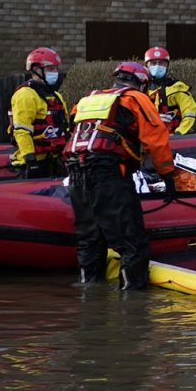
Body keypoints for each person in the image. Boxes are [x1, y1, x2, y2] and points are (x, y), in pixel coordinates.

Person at [64, 61, 176, 290]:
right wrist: (167, 175)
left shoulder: (87, 99)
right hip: (108, 174)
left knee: (89, 241)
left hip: (76, 173)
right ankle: (133, 304)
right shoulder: (135, 98)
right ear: (142, 82)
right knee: (131, 242)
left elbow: (72, 132)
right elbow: (157, 140)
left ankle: (90, 294)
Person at [8, 47, 69, 178]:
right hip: (33, 162)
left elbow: (65, 128)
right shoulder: (25, 95)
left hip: (54, 161)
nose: (55, 73)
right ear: (36, 70)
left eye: (56, 69)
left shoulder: (57, 96)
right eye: (51, 69)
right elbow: (21, 131)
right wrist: (30, 160)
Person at [142, 47, 196, 134]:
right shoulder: (140, 88)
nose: (157, 66)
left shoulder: (178, 88)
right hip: (146, 138)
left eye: (161, 63)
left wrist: (179, 133)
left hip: (172, 137)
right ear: (146, 65)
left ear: (167, 66)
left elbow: (189, 113)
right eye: (153, 63)